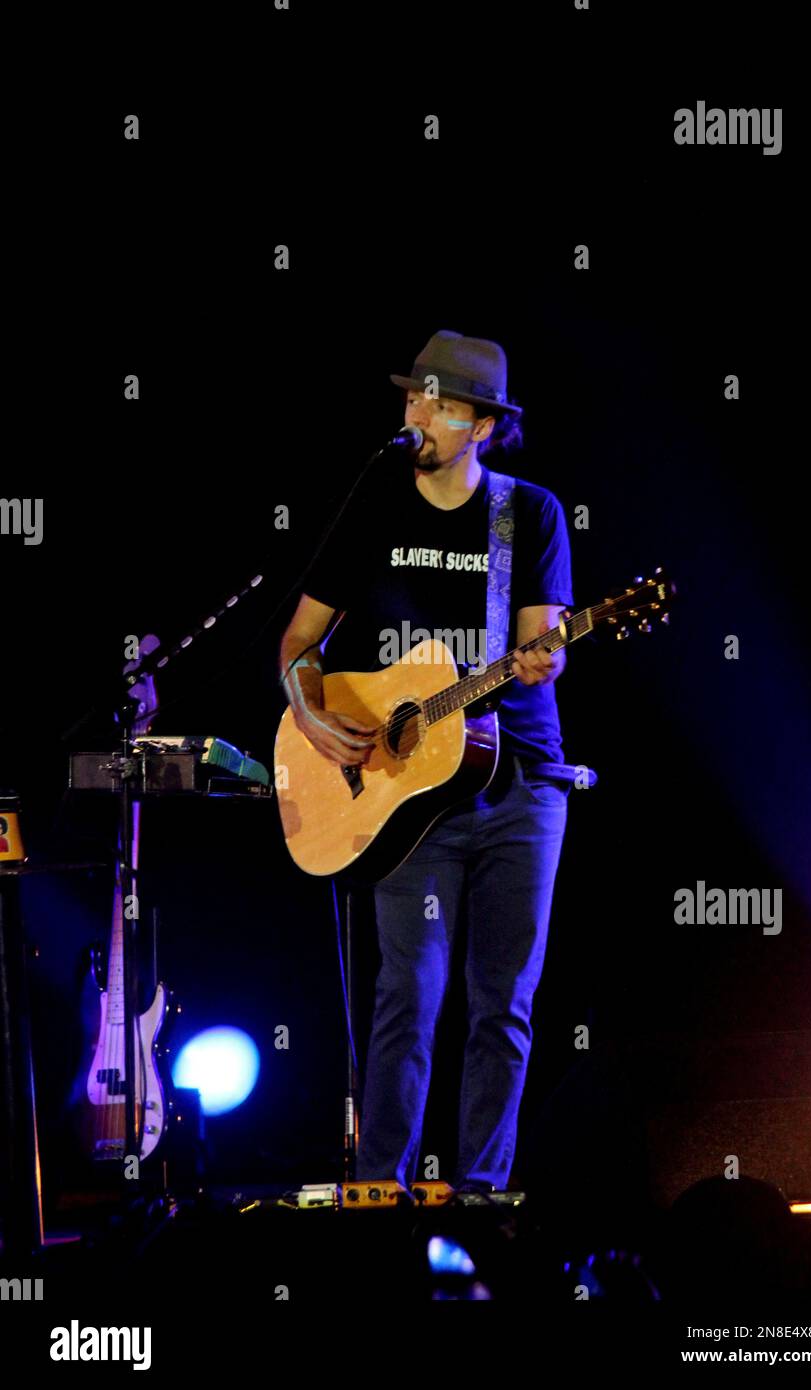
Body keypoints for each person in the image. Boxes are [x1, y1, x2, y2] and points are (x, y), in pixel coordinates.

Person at [278, 330, 574, 1192]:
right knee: (406, 997)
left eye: (439, 401)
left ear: (482, 424)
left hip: (516, 779)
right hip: (405, 791)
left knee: (503, 1007)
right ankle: (379, 1195)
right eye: (413, 396)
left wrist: (545, 657)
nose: (417, 413)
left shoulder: (532, 514)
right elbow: (300, 641)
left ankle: (483, 1206)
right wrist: (312, 710)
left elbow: (536, 645)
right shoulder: (375, 498)